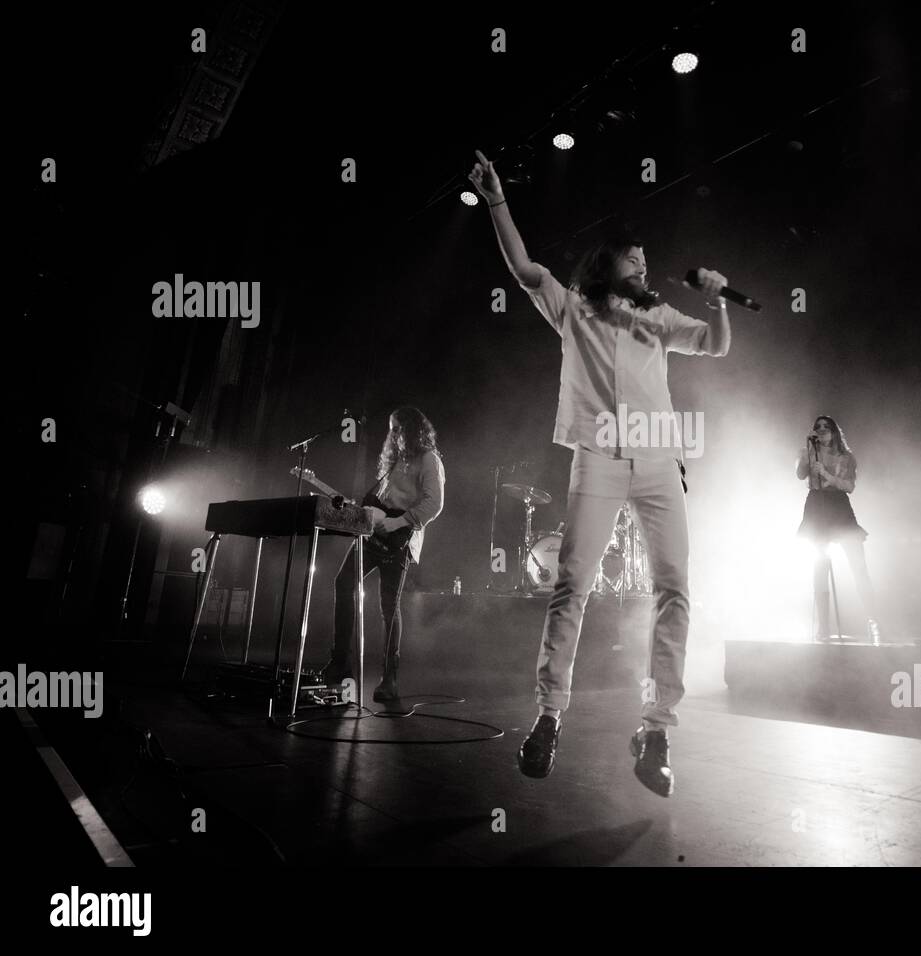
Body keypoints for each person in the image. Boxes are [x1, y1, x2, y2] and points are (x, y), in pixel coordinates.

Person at [469, 148, 731, 797]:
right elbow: (524, 269)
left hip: (660, 461)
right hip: (598, 458)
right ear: (605, 264)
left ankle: (657, 728)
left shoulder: (659, 318)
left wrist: (720, 303)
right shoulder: (573, 309)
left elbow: (716, 344)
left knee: (675, 588)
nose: (643, 261)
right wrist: (498, 202)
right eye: (632, 255)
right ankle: (550, 716)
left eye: (645, 256)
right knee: (572, 585)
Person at [323, 407, 445, 700]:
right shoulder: (394, 462)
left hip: (400, 540)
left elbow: (434, 504)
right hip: (373, 535)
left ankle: (389, 679)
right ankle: (341, 662)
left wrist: (397, 522)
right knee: (343, 584)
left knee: (389, 606)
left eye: (397, 429)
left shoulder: (429, 459)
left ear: (412, 430)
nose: (392, 435)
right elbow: (382, 502)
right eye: (391, 429)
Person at [796, 415, 877, 641]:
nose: (821, 430)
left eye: (826, 427)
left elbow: (849, 486)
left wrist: (827, 474)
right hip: (816, 506)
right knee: (819, 566)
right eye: (817, 427)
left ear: (834, 431)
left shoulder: (846, 457)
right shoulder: (808, 452)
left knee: (858, 566)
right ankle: (823, 627)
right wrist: (809, 454)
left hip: (839, 506)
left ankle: (874, 621)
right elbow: (800, 474)